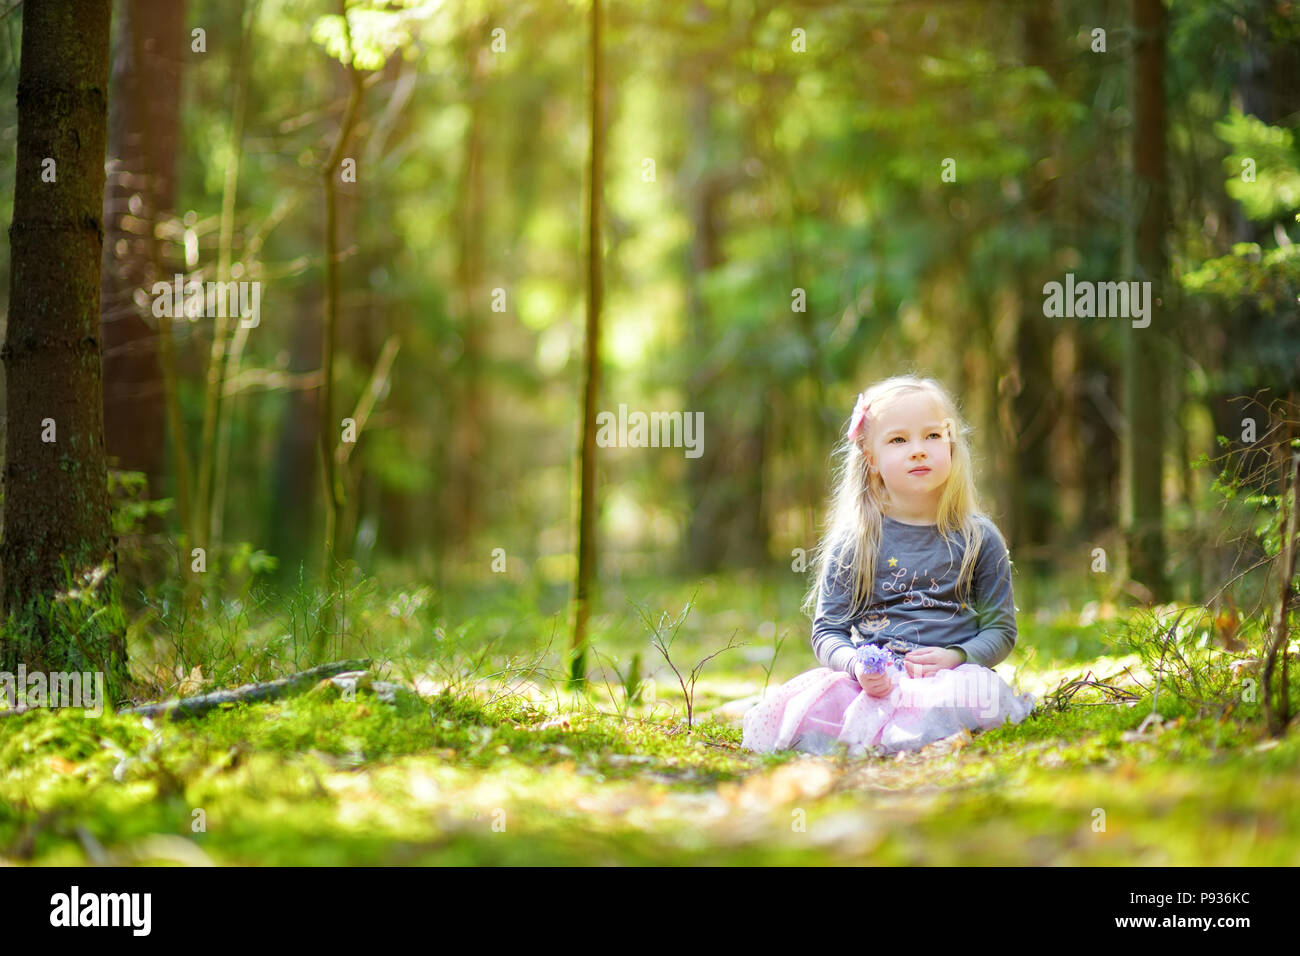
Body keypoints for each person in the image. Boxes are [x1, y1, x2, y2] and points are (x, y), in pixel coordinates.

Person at [740, 375, 1036, 757]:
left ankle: (917, 733)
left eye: (932, 436)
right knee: (816, 700)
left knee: (976, 692)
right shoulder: (857, 541)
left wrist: (957, 656)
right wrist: (858, 666)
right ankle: (876, 730)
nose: (918, 450)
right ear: (871, 458)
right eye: (899, 440)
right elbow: (828, 631)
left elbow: (1000, 630)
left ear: (951, 445)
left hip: (950, 680)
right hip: (873, 683)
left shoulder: (979, 538)